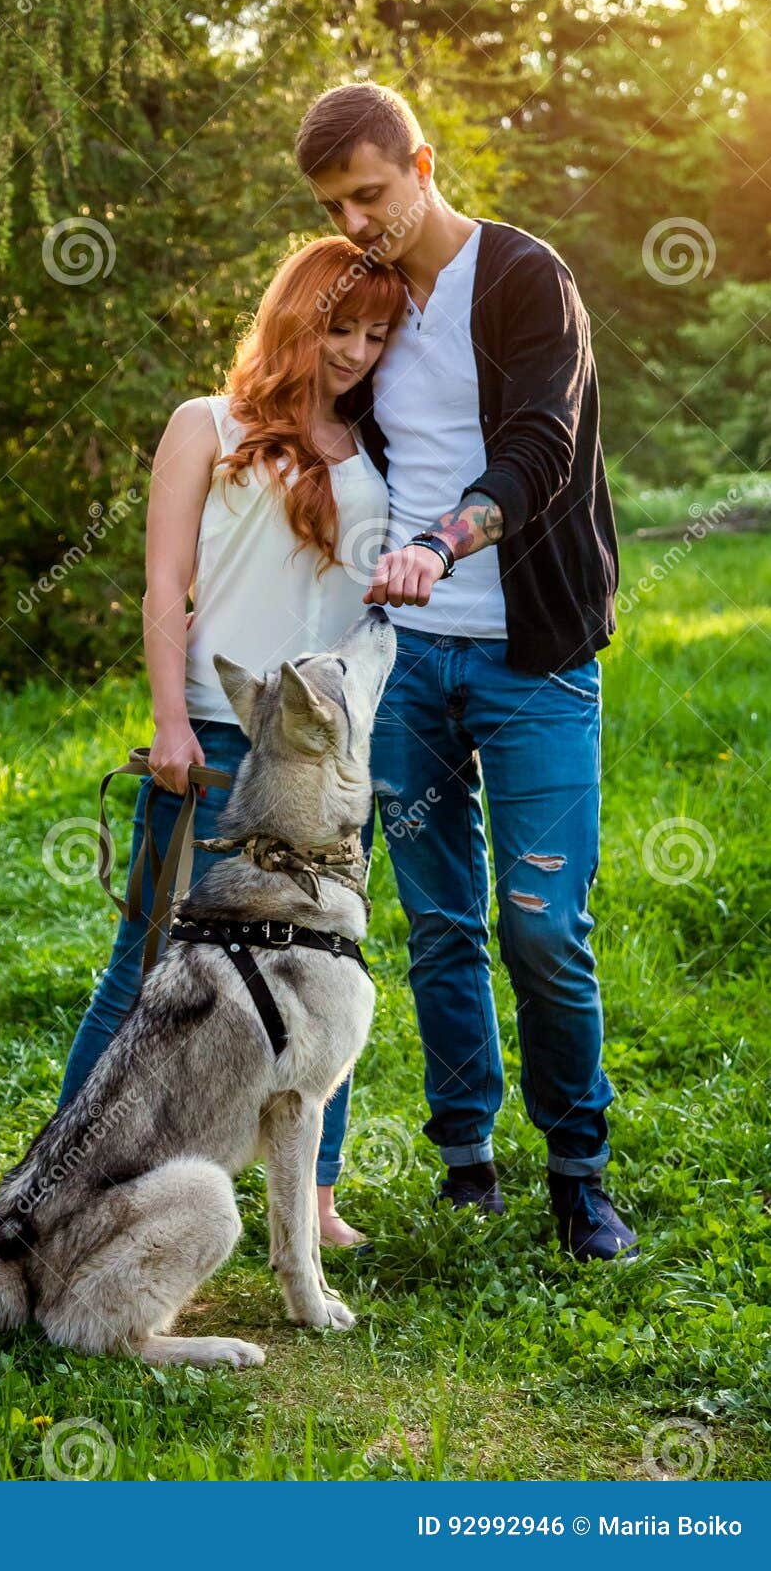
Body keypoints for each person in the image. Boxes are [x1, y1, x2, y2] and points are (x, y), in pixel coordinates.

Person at [295, 81, 638, 1261]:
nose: (355, 220)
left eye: (370, 193)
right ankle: (465, 1162)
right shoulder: (366, 298)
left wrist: (443, 540)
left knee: (540, 922)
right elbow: (320, 414)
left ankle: (578, 1172)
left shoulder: (524, 275)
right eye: (337, 204)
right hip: (410, 659)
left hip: (530, 652)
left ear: (423, 162)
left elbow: (543, 443)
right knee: (438, 922)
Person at [56, 235, 407, 1246]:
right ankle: (67, 1180)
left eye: (375, 335)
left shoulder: (376, 450)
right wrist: (169, 718)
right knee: (149, 961)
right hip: (217, 732)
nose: (354, 351)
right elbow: (165, 585)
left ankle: (317, 1198)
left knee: (325, 967)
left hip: (328, 758)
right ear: (295, 316)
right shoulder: (204, 425)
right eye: (338, 327)